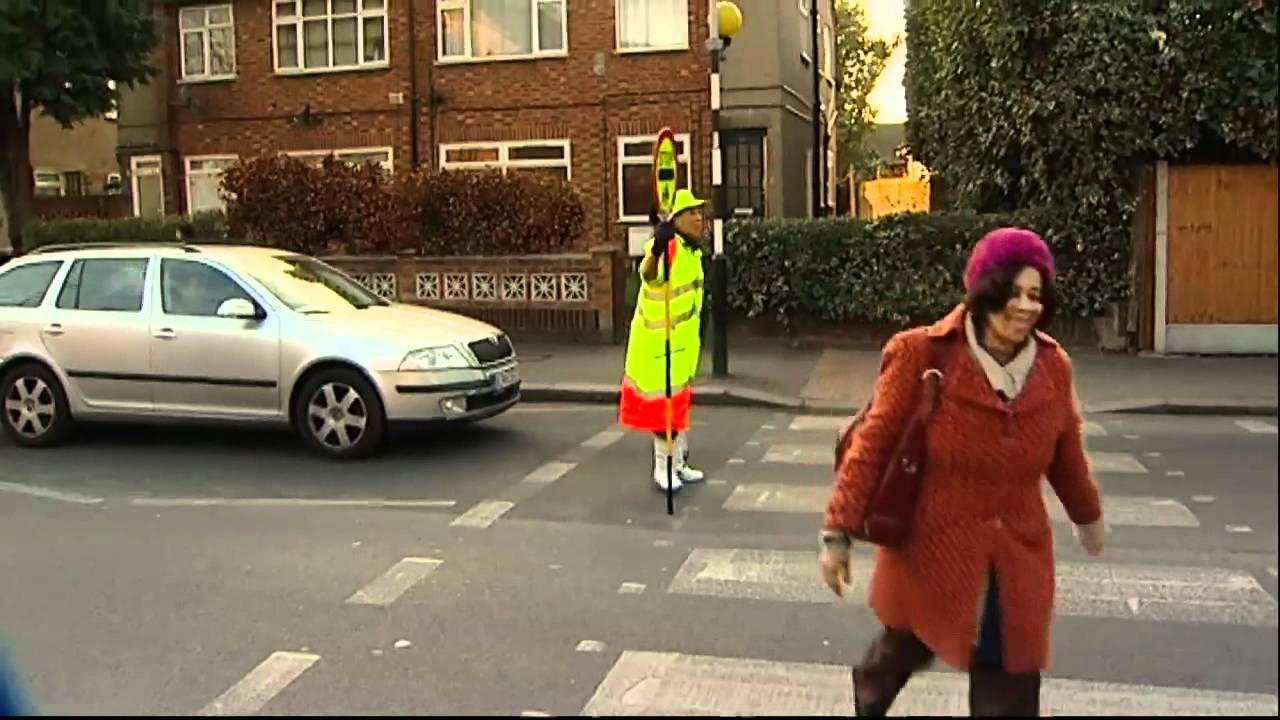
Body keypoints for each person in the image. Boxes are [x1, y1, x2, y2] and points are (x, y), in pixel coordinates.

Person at [819, 227, 1107, 716]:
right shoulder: (923, 353)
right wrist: (836, 533)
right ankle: (873, 684)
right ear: (983, 291)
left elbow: (1066, 454)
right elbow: (871, 446)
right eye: (1011, 292)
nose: (1024, 307)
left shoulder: (1053, 367)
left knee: (1010, 673)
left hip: (1017, 552)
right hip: (933, 544)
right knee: (909, 640)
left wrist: (1088, 517)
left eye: (1035, 295)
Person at [618, 189, 708, 492]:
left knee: (679, 407)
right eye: (692, 213)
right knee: (663, 411)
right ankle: (663, 468)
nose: (700, 218)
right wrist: (658, 246)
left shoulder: (691, 251)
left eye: (700, 212)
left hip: (682, 346)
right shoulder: (669, 248)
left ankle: (679, 463)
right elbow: (648, 273)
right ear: (678, 220)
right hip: (659, 347)